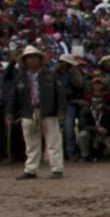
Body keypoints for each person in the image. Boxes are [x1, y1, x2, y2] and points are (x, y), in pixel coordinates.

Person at [6, 45, 66, 180]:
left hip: (48, 112)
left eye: (34, 57)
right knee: (32, 143)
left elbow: (60, 94)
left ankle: (57, 168)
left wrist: (61, 110)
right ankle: (31, 169)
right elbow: (13, 97)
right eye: (29, 58)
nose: (32, 60)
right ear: (25, 61)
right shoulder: (20, 78)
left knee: (53, 141)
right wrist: (10, 113)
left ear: (40, 59)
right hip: (30, 113)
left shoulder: (50, 76)